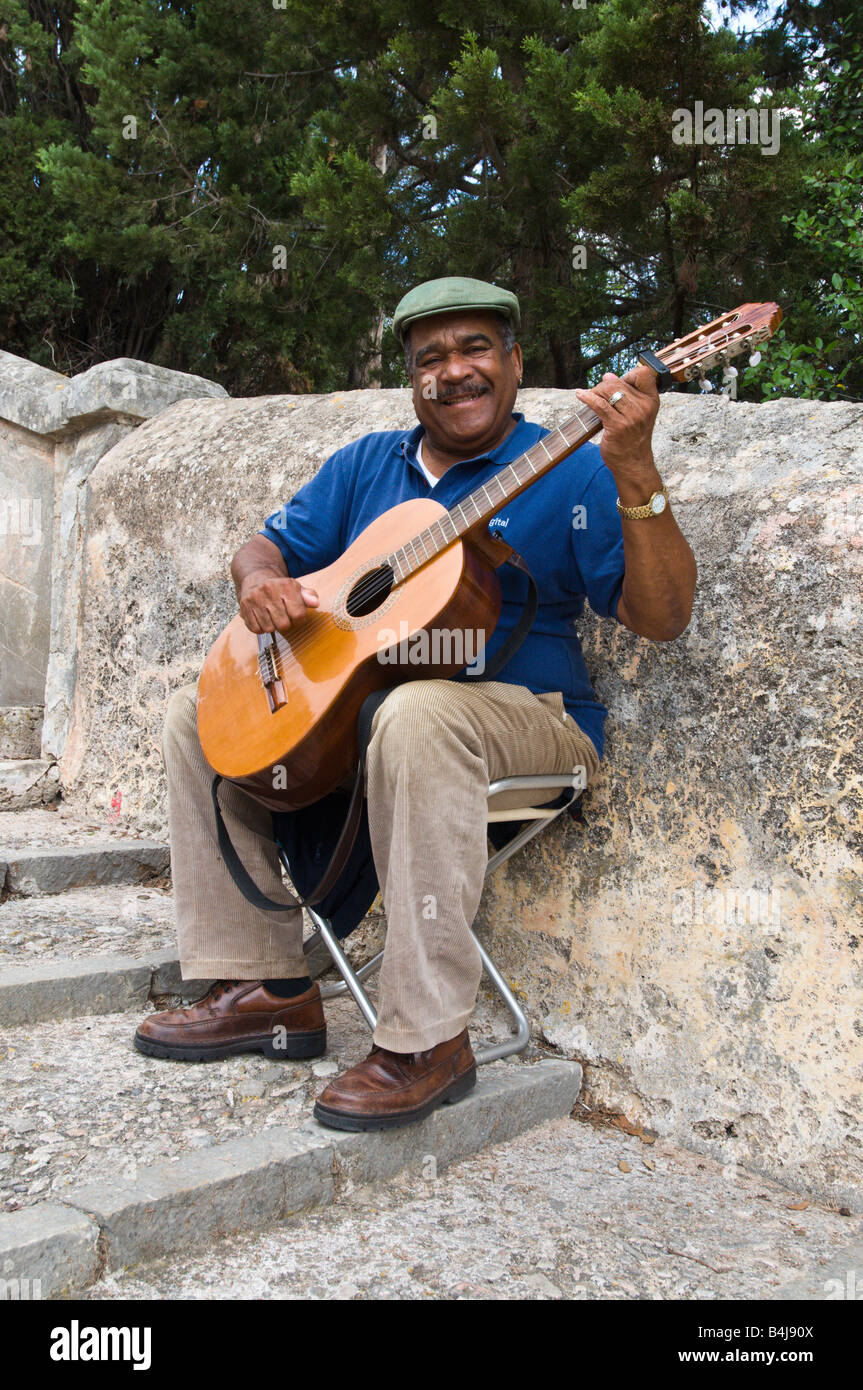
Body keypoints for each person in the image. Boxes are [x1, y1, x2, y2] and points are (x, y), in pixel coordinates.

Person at [134, 276, 697, 1131]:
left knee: (417, 711)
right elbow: (267, 544)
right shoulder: (367, 465)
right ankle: (269, 988)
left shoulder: (577, 466)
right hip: (375, 716)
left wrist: (636, 471)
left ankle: (427, 1038)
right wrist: (259, 583)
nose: (454, 372)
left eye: (475, 348)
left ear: (514, 362)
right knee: (196, 714)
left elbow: (663, 619)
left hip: (529, 716)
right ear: (411, 380)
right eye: (430, 358)